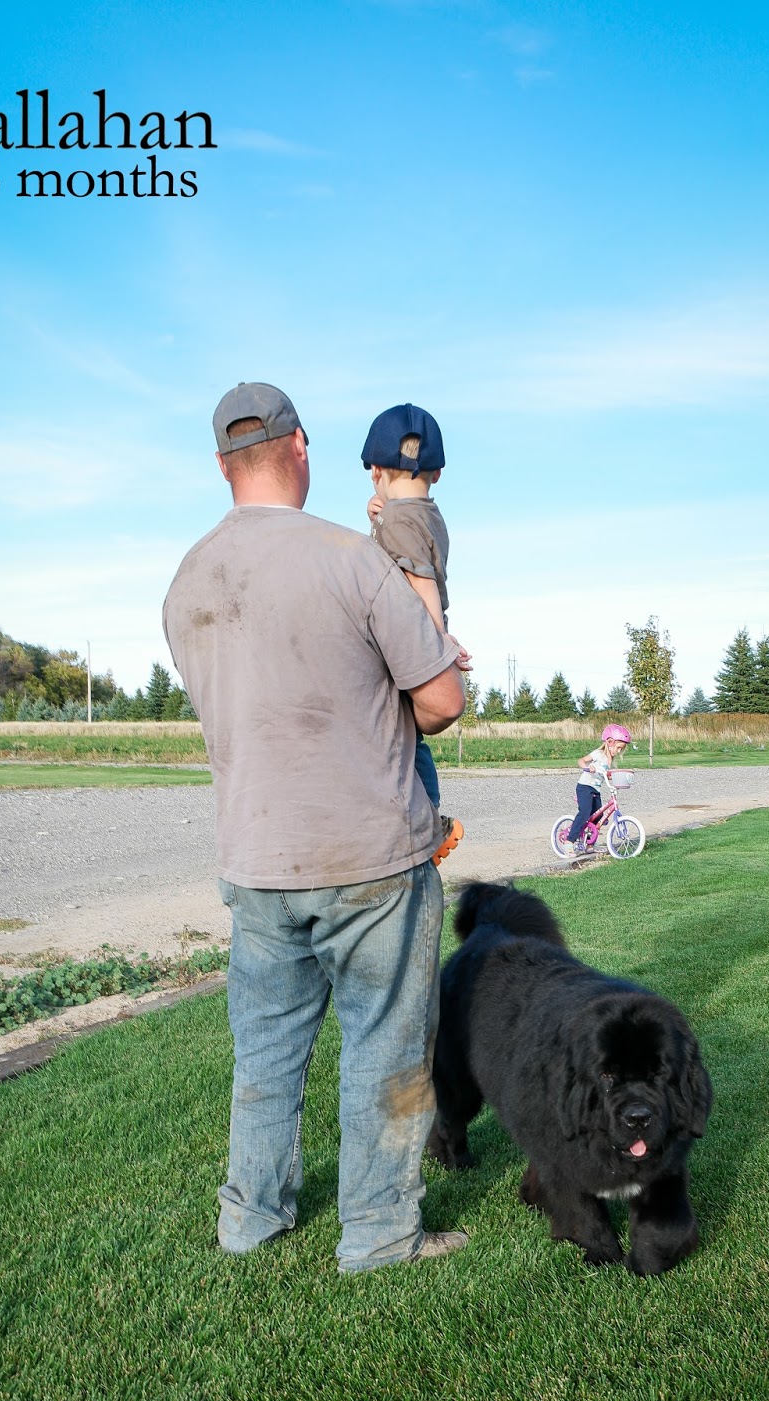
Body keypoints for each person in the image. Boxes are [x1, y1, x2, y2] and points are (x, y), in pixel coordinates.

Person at [163, 382, 468, 1273]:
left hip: (256, 858)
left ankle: (250, 1221)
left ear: (224, 466)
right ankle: (377, 1236)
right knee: (384, 1046)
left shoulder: (185, 582)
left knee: (264, 1056)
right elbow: (440, 703)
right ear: (301, 450)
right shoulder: (351, 558)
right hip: (371, 854)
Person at [362, 403, 467, 866]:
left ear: (375, 470)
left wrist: (437, 643)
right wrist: (376, 518)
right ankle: (425, 815)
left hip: (409, 640)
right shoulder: (425, 514)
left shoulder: (399, 521)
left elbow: (420, 581)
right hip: (416, 634)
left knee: (405, 738)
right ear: (437, 473)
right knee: (407, 739)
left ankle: (429, 819)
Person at [565, 723, 632, 852]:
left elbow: (605, 774)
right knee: (585, 813)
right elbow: (581, 760)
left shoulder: (609, 760)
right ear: (609, 742)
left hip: (595, 789)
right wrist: (588, 767)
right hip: (585, 787)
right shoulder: (598, 754)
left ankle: (590, 844)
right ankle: (569, 841)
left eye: (621, 749)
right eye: (618, 748)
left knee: (598, 816)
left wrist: (615, 776)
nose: (618, 751)